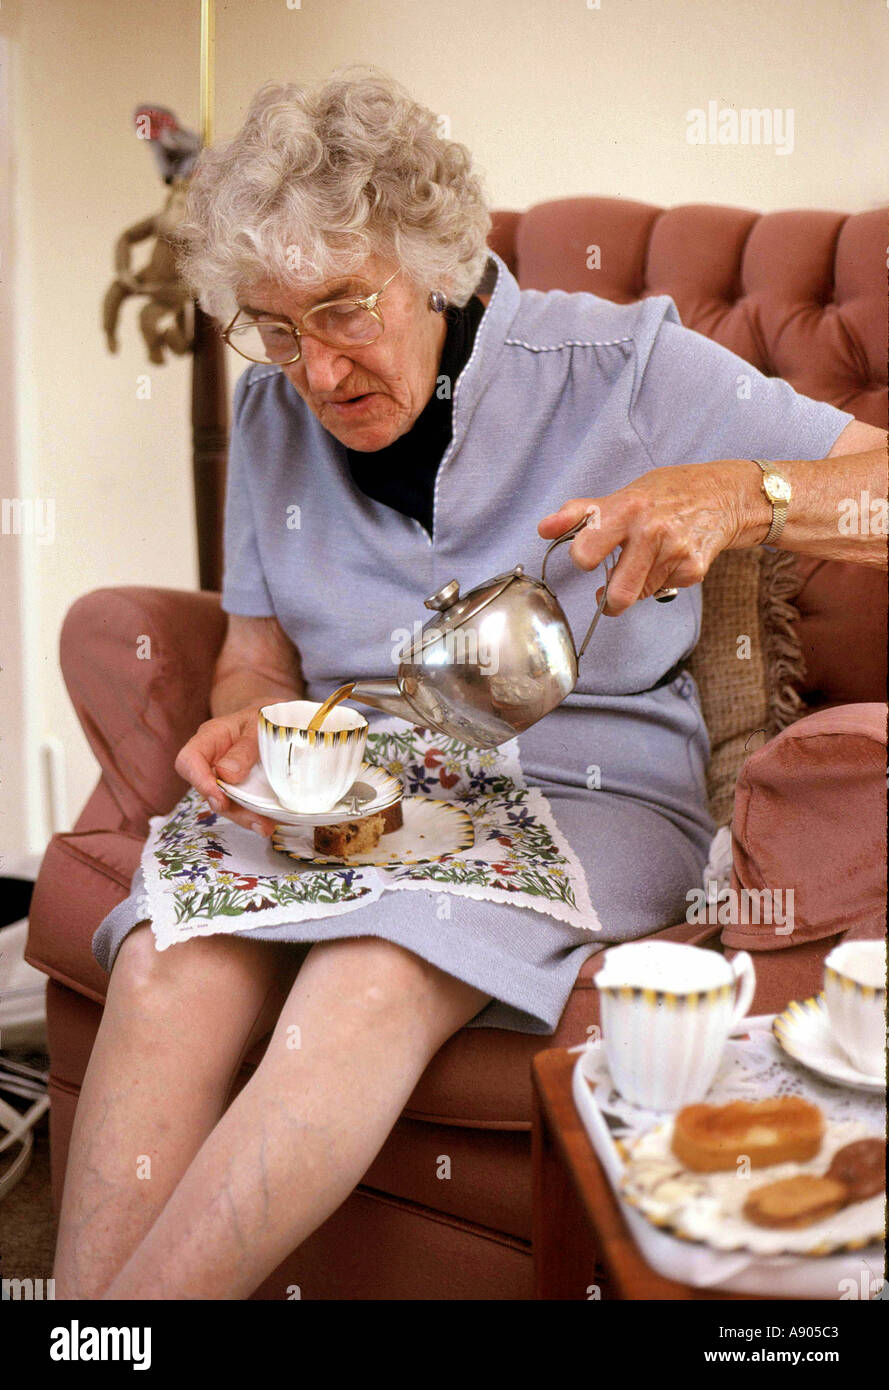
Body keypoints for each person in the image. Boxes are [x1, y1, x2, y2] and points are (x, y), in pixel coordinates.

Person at [54, 67, 886, 1300]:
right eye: (276, 330)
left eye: (343, 310)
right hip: (349, 791)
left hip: (587, 788)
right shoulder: (273, 410)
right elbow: (257, 649)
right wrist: (241, 717)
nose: (318, 374)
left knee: (370, 970)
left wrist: (740, 493)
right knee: (172, 955)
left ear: (433, 261)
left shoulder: (626, 367)